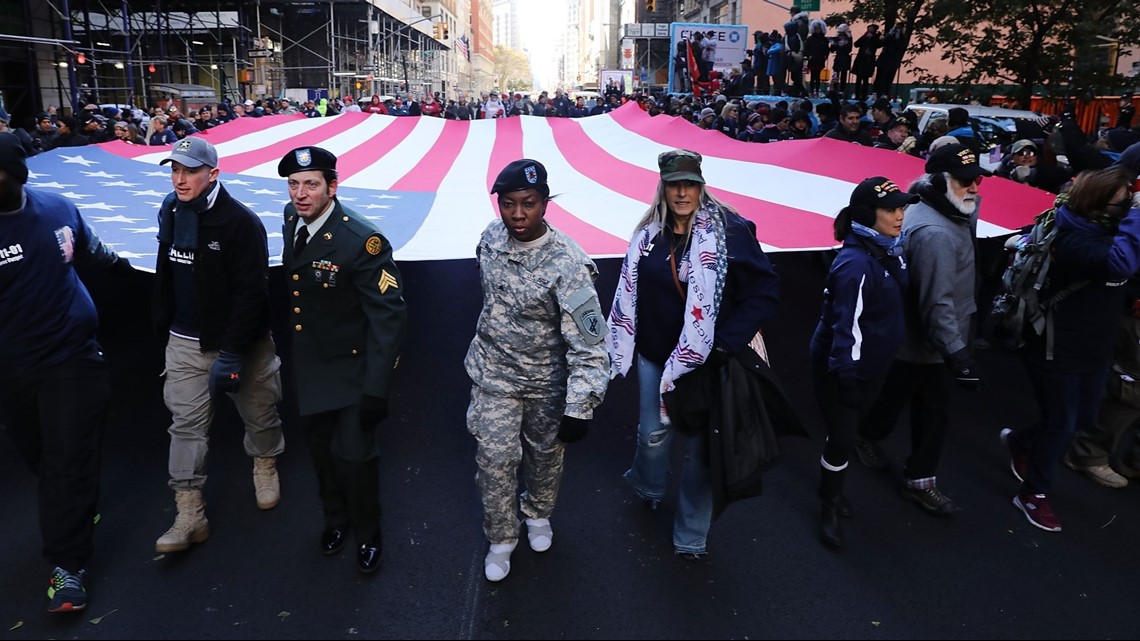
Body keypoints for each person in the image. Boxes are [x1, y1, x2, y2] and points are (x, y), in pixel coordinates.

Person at [607, 150, 780, 559]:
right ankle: (649, 486)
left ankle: (690, 536)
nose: (682, 192)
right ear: (662, 187)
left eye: (690, 183)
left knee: (703, 453)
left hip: (709, 363)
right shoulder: (648, 233)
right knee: (652, 435)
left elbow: (763, 292)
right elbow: (631, 291)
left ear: (701, 185)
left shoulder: (732, 232)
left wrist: (725, 343)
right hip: (654, 355)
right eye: (674, 184)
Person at [0, 132, 133, 612]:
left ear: (15, 177)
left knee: (66, 459)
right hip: (13, 369)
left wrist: (135, 271)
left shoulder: (58, 209)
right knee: (38, 454)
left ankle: (67, 567)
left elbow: (95, 252)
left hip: (74, 357)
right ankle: (73, 509)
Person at [464, 159, 609, 582]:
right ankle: (502, 537)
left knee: (545, 459)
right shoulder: (490, 239)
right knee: (494, 459)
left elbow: (590, 343)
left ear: (545, 203)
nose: (517, 214)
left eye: (528, 203)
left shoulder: (569, 263)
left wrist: (580, 406)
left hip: (547, 383)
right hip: (494, 377)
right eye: (508, 204)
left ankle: (538, 514)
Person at [151, 137, 285, 554]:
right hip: (185, 342)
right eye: (175, 170)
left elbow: (252, 294)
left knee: (260, 413)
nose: (180, 179)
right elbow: (166, 271)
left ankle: (264, 464)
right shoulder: (170, 211)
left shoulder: (240, 223)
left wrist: (230, 353)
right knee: (185, 428)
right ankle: (190, 511)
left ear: (213, 174)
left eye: (189, 171)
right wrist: (163, 321)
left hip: (242, 343)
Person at [279, 146, 406, 573]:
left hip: (354, 370)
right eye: (294, 185)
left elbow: (388, 319)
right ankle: (335, 519)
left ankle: (369, 532)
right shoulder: (290, 220)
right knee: (320, 452)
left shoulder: (361, 240)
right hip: (313, 366)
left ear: (332, 187)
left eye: (311, 184)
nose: (300, 194)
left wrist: (377, 390)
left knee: (355, 455)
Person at [1000, 168, 1140, 531]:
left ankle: (1020, 441)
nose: (1127, 208)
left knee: (1081, 418)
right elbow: (1121, 263)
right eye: (1122, 203)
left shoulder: (1110, 229)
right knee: (1061, 424)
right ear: (1098, 203)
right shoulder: (1072, 236)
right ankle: (1034, 493)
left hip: (1094, 346)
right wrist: (1138, 214)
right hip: (1055, 346)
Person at [856, 144, 990, 516]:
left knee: (899, 393)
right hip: (928, 340)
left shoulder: (935, 207)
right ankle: (920, 480)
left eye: (976, 179)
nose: (974, 188)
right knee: (933, 410)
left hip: (918, 338)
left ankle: (866, 435)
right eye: (965, 182)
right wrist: (957, 354)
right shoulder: (935, 234)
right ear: (943, 181)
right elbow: (937, 301)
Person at [811, 177, 917, 548]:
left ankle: (833, 479)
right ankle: (829, 503)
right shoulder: (855, 264)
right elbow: (845, 329)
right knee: (842, 438)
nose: (901, 215)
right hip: (844, 369)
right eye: (891, 209)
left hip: (873, 365)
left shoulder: (890, 249)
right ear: (866, 215)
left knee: (846, 433)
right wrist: (847, 378)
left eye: (902, 207)